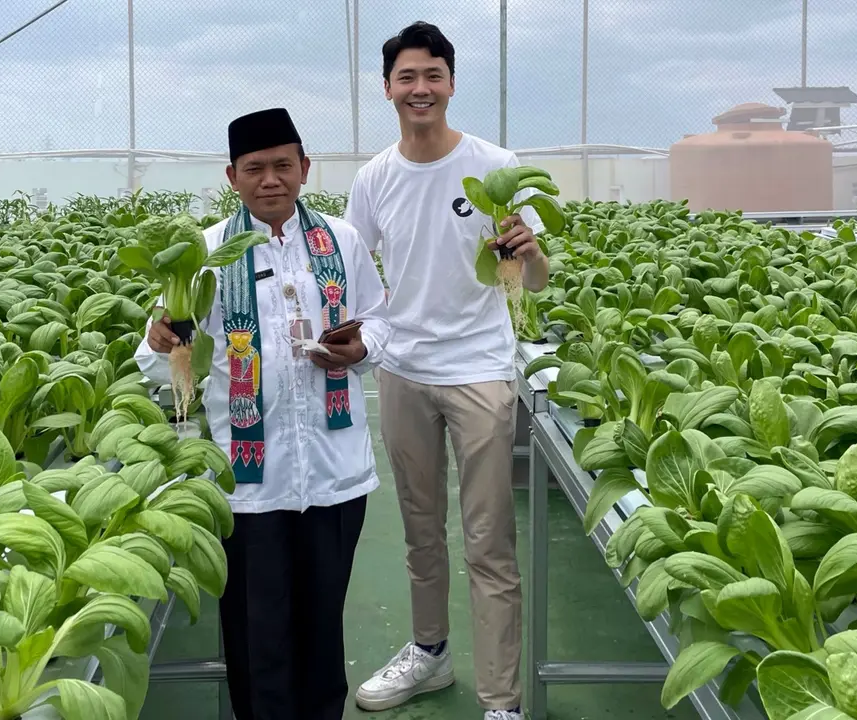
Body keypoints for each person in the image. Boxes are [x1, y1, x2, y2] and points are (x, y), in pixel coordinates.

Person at [134, 107, 391, 720]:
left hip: (333, 474)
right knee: (256, 633)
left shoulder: (342, 240)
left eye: (283, 165)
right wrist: (160, 341)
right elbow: (156, 361)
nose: (270, 179)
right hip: (246, 480)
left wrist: (362, 349)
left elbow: (381, 320)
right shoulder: (203, 255)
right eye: (255, 168)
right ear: (232, 176)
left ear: (305, 167)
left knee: (323, 623)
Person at [343, 21, 549, 720]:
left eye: (432, 75)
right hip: (402, 369)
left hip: (479, 372)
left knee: (489, 540)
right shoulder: (375, 178)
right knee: (420, 528)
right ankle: (428, 653)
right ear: (388, 89)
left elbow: (540, 279)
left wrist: (527, 249)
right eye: (407, 78)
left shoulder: (495, 167)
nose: (420, 89)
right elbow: (348, 272)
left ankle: (501, 702)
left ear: (451, 83)